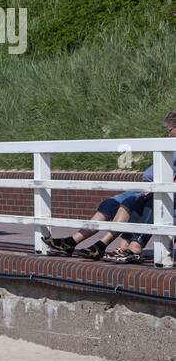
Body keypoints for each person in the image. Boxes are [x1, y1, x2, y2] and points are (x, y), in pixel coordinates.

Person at [46, 111, 176, 260]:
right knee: (109, 204)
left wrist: (159, 187)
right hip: (145, 186)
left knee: (130, 203)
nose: (167, 133)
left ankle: (102, 246)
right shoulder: (170, 144)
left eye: (170, 130)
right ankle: (72, 241)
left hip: (155, 188)